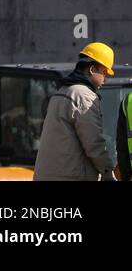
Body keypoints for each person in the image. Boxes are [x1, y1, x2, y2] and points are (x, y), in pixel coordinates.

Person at [33, 42, 117, 181]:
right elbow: (94, 143)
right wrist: (108, 173)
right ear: (91, 69)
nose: (105, 79)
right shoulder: (83, 95)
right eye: (104, 72)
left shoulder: (61, 93)